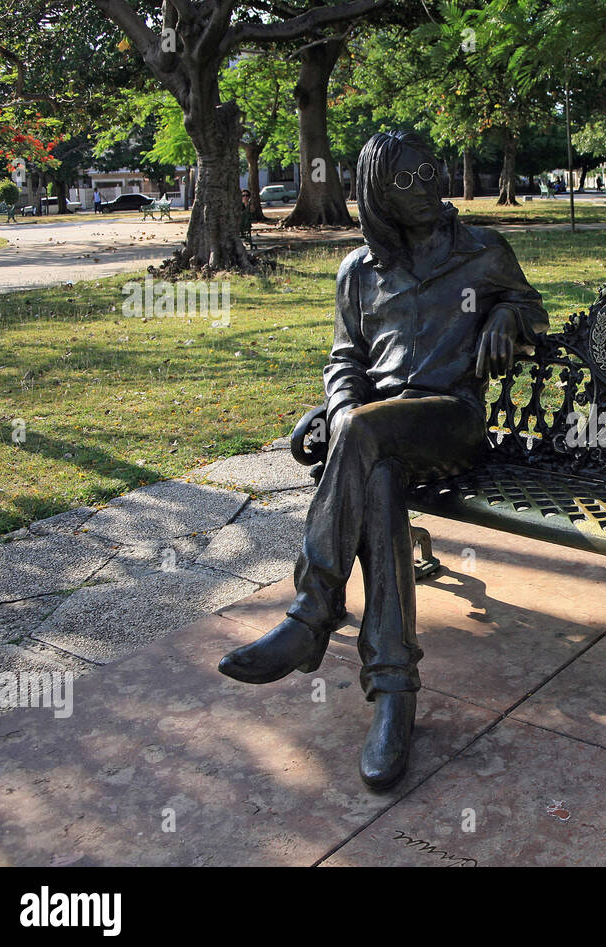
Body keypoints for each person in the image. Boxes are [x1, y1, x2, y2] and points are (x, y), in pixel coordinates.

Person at [217, 130, 549, 790]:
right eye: (405, 180)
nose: (425, 186)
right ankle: (393, 692)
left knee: (369, 441)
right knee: (378, 475)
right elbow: (345, 361)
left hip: (450, 422)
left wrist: (512, 314)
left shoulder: (482, 250)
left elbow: (535, 311)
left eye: (430, 170)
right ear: (376, 194)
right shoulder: (359, 272)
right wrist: (341, 411)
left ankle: (312, 613)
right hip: (377, 437)